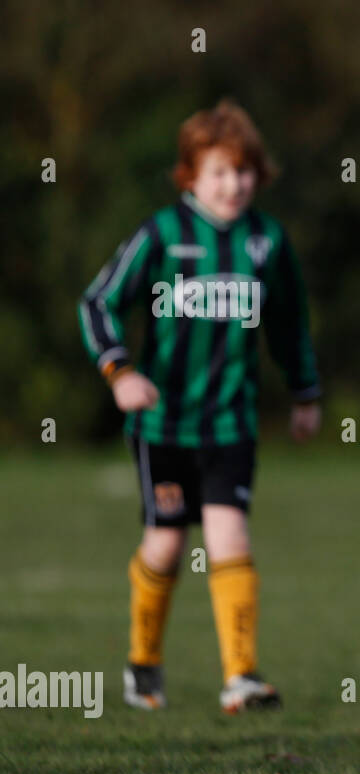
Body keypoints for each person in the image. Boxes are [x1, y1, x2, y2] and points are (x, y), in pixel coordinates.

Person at [78, 99, 322, 713]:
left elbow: (290, 322)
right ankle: (143, 663)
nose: (233, 184)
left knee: (229, 538)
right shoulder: (162, 234)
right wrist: (119, 371)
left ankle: (240, 676)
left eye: (244, 172)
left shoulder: (267, 241)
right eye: (218, 172)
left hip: (230, 424)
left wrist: (304, 392)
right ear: (190, 175)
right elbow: (97, 302)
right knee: (165, 545)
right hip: (162, 425)